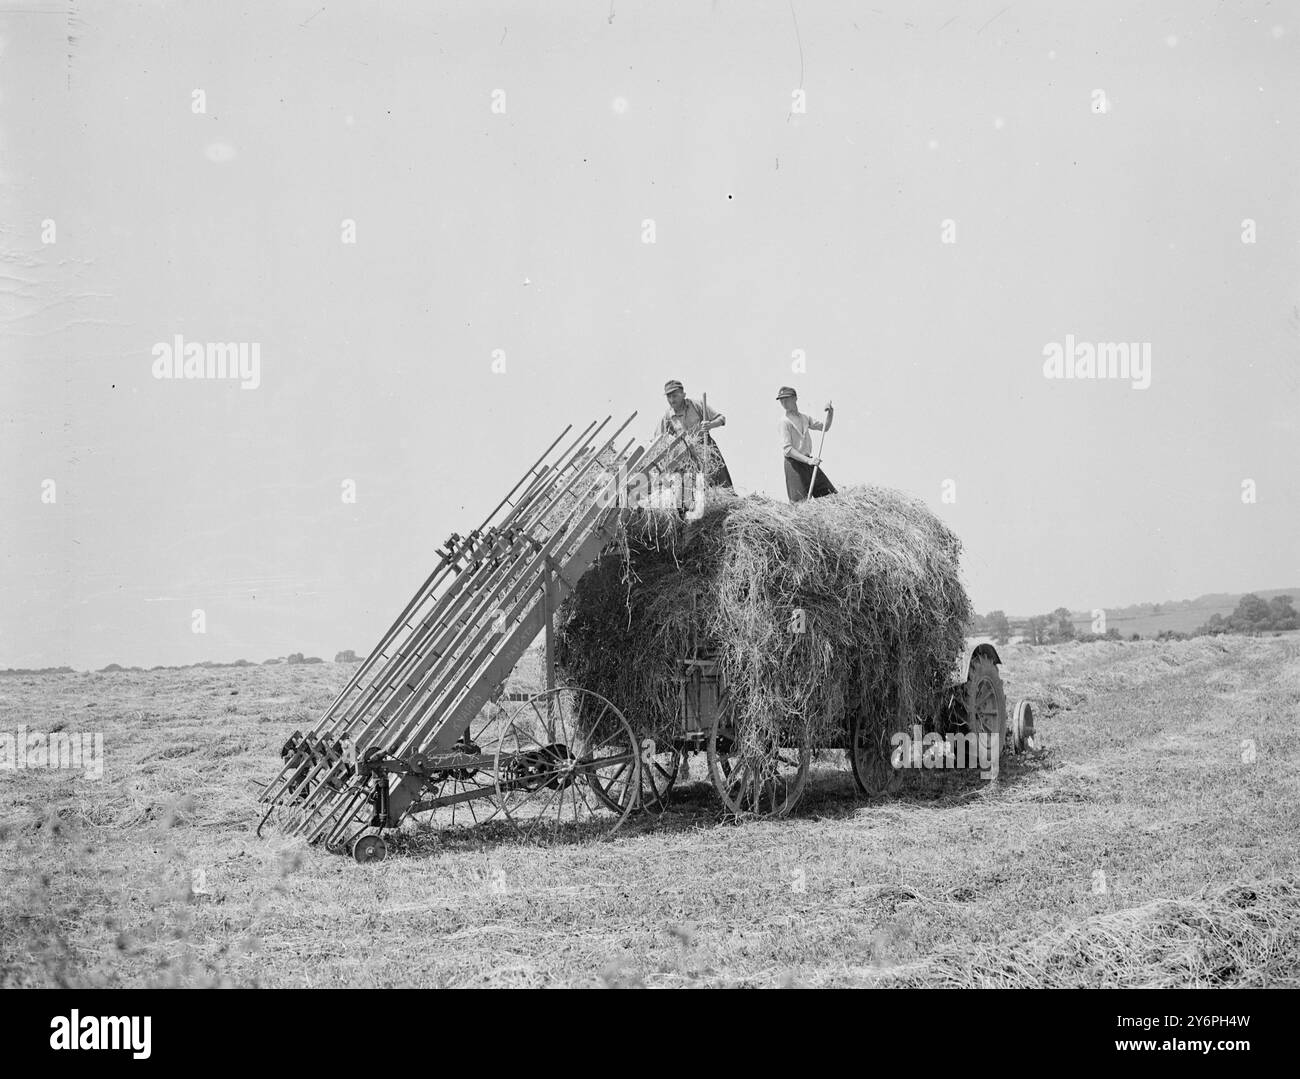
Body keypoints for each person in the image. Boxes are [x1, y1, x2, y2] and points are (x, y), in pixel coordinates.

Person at [655, 379, 734, 489]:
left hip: (707, 447)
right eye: (669, 397)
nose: (672, 400)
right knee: (695, 488)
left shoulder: (697, 405)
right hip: (686, 457)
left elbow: (722, 419)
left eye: (675, 396)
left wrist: (710, 425)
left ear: (683, 394)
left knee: (722, 482)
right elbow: (658, 440)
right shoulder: (667, 417)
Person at [777, 386, 837, 502]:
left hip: (808, 462)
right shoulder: (784, 422)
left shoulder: (804, 418)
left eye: (786, 399)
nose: (783, 402)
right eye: (781, 400)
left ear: (795, 399)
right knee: (800, 504)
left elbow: (825, 427)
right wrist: (809, 461)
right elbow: (788, 450)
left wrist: (830, 413)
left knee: (830, 496)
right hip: (794, 465)